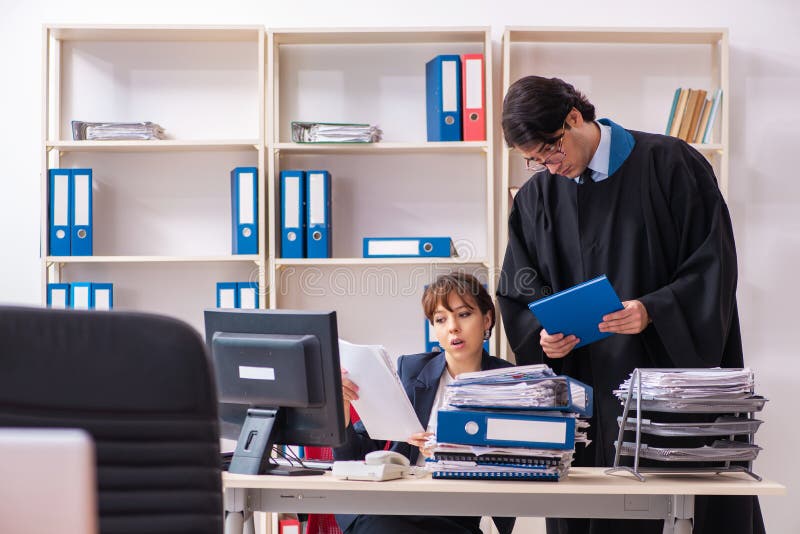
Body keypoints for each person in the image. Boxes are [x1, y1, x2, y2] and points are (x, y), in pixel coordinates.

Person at [496, 75, 764, 534]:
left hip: (661, 388)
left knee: (674, 512)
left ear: (574, 118)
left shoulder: (671, 164)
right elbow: (519, 284)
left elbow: (713, 266)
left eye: (551, 150)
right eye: (534, 161)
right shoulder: (539, 195)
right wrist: (541, 336)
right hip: (582, 394)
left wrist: (653, 309)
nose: (548, 166)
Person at [333, 272, 515, 534]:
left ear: (487, 319)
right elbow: (358, 451)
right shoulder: (413, 370)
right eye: (441, 319)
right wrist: (342, 415)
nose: (452, 327)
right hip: (396, 503)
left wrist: (451, 459)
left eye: (464, 314)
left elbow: (521, 460)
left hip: (456, 512)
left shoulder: (510, 383)